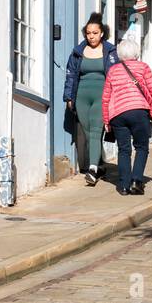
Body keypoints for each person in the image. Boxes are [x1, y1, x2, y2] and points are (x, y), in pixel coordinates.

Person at [101, 38, 152, 196]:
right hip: (138, 111)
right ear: (137, 53)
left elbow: (106, 97)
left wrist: (106, 120)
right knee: (141, 147)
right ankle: (136, 181)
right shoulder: (143, 67)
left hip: (118, 114)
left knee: (123, 149)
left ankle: (123, 185)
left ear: (119, 54)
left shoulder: (113, 70)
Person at [63, 13, 119, 186]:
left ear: (101, 33)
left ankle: (92, 169)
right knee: (88, 133)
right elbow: (71, 75)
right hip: (81, 96)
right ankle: (100, 165)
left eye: (95, 32)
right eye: (88, 33)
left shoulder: (110, 51)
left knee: (95, 130)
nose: (91, 36)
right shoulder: (78, 52)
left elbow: (116, 74)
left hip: (102, 96)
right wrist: (69, 97)